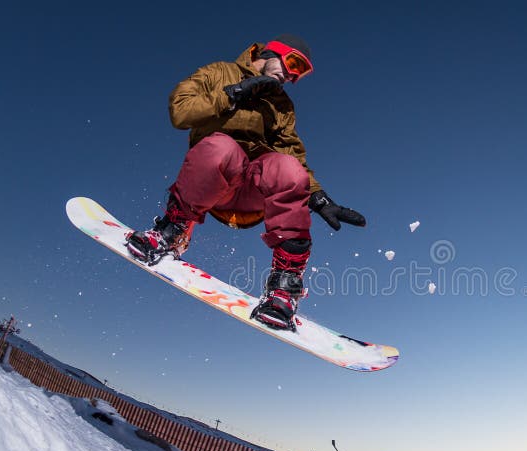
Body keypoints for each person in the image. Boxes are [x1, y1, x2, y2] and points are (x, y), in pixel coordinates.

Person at [126, 34, 366, 331]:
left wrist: (318, 197)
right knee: (221, 148)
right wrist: (233, 93)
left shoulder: (281, 105)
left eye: (300, 74)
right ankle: (171, 232)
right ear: (272, 52)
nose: (292, 76)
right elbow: (180, 111)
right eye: (294, 64)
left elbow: (293, 156)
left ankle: (284, 288)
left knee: (288, 168)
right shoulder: (220, 72)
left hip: (253, 191)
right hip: (212, 182)